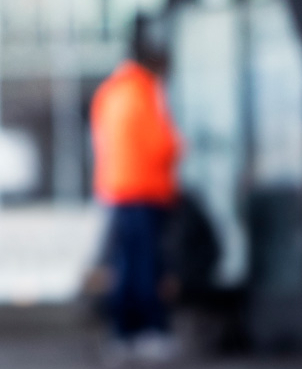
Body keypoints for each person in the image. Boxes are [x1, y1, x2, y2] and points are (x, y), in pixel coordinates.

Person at [90, 28, 182, 362]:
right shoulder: (145, 91)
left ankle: (123, 332)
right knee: (147, 266)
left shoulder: (110, 91)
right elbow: (160, 144)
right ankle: (150, 331)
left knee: (125, 265)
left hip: (116, 190)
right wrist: (178, 145)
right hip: (145, 189)